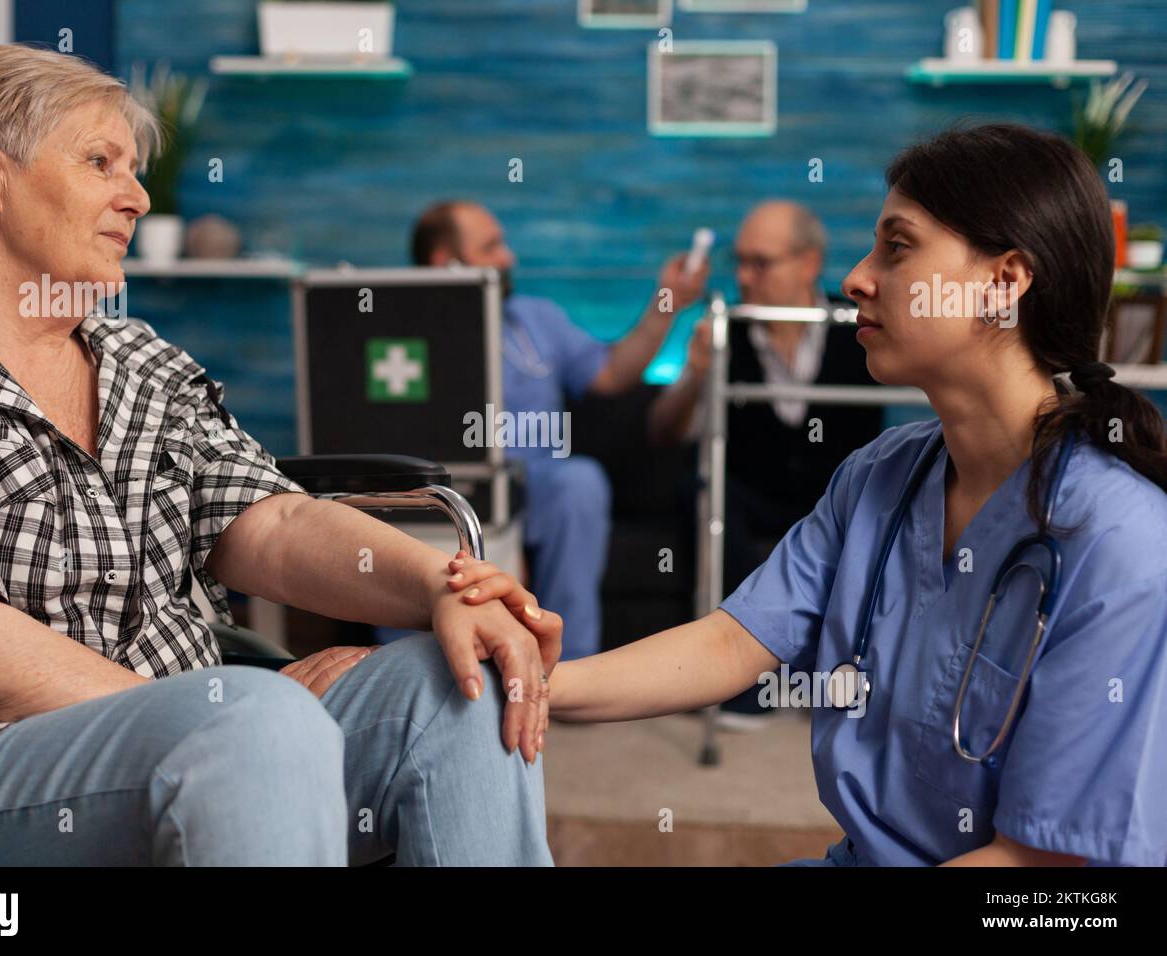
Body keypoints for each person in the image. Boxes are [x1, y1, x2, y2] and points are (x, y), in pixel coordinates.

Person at [0, 44, 560, 866]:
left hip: (224, 729)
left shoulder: (143, 362)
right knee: (257, 724)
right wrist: (210, 709)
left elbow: (275, 523)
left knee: (457, 689)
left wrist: (444, 588)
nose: (136, 197)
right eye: (101, 163)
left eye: (134, 170)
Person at [446, 123, 1167, 866]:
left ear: (1004, 283)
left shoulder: (1122, 543)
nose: (856, 278)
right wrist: (527, 679)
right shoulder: (882, 474)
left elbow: (1040, 872)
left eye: (897, 247)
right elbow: (732, 642)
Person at [409, 200, 707, 659]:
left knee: (580, 480)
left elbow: (610, 374)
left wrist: (666, 302)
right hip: (451, 489)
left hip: (536, 486)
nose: (508, 257)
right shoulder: (404, 332)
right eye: (491, 247)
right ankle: (414, 664)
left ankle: (569, 663)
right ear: (446, 261)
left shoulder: (534, 318)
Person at [649, 201, 883, 729]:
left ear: (809, 262)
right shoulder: (722, 332)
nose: (744, 277)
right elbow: (663, 433)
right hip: (751, 495)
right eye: (740, 262)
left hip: (837, 496)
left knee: (879, 496)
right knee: (703, 491)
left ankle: (847, 669)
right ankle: (741, 681)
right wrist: (695, 373)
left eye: (761, 263)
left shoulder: (860, 326)